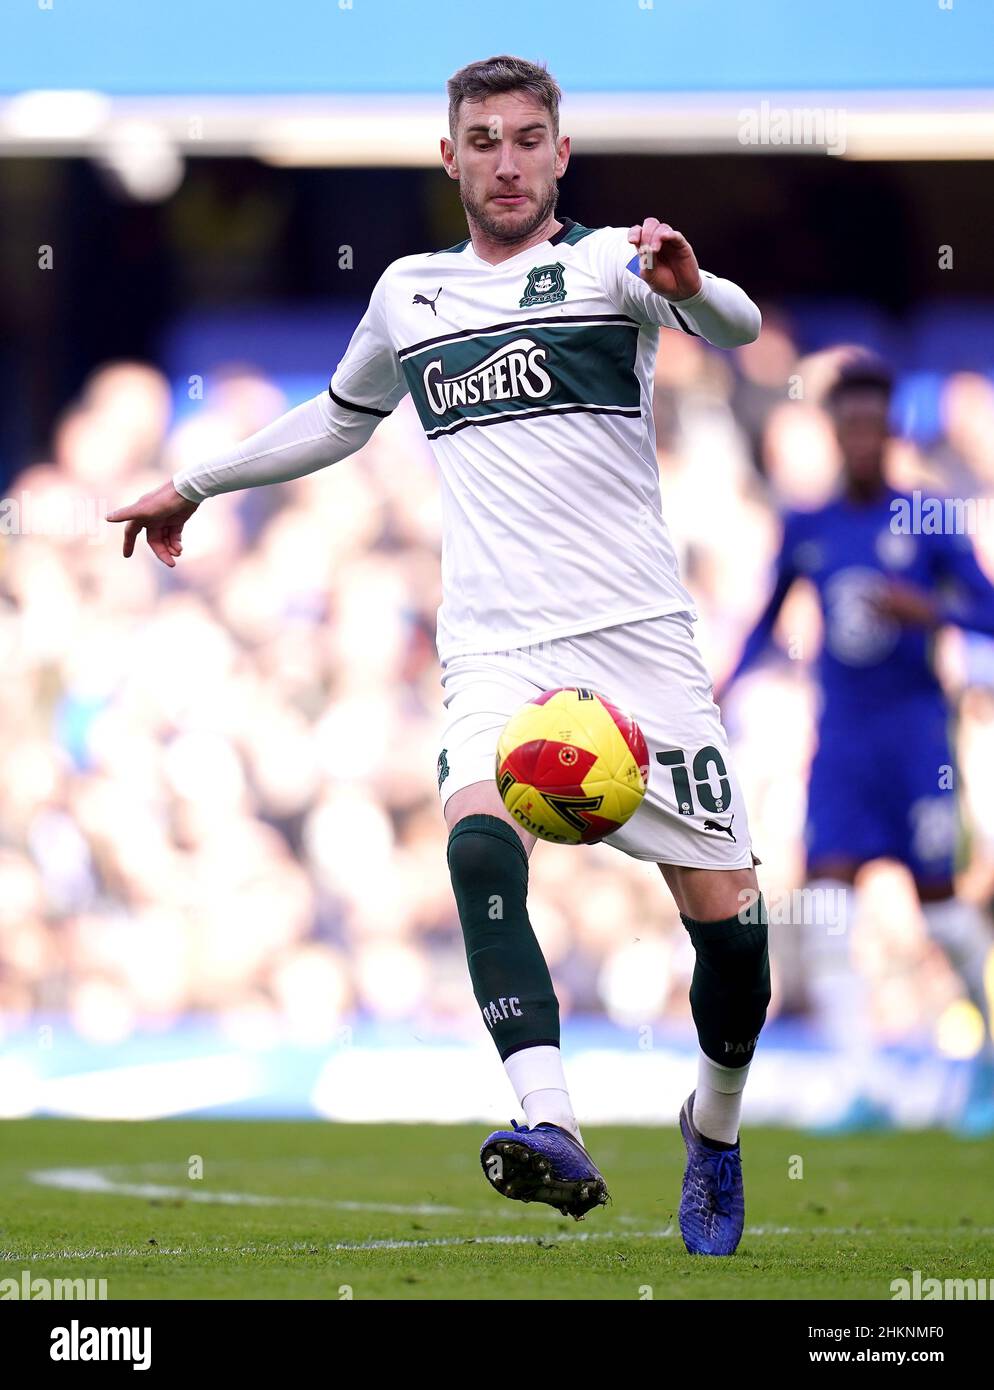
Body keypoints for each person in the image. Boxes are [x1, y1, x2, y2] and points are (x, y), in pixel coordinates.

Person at [108, 54, 766, 1255]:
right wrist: (193, 481)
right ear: (448, 156)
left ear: (559, 154)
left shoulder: (614, 260)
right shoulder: (408, 294)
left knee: (731, 934)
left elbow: (737, 326)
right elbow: (337, 418)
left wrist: (694, 281)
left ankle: (712, 1133)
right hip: (498, 647)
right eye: (484, 138)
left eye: (529, 139)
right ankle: (550, 1120)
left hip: (642, 648)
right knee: (475, 839)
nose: (507, 160)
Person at [724, 356, 994, 1135]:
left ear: (891, 432)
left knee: (940, 909)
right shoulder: (808, 524)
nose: (862, 439)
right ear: (835, 433)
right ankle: (862, 1083)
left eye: (875, 426)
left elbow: (988, 612)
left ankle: (985, 1064)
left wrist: (932, 610)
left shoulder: (930, 519)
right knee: (827, 909)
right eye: (849, 426)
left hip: (916, 740)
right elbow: (766, 623)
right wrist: (722, 690)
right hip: (841, 742)